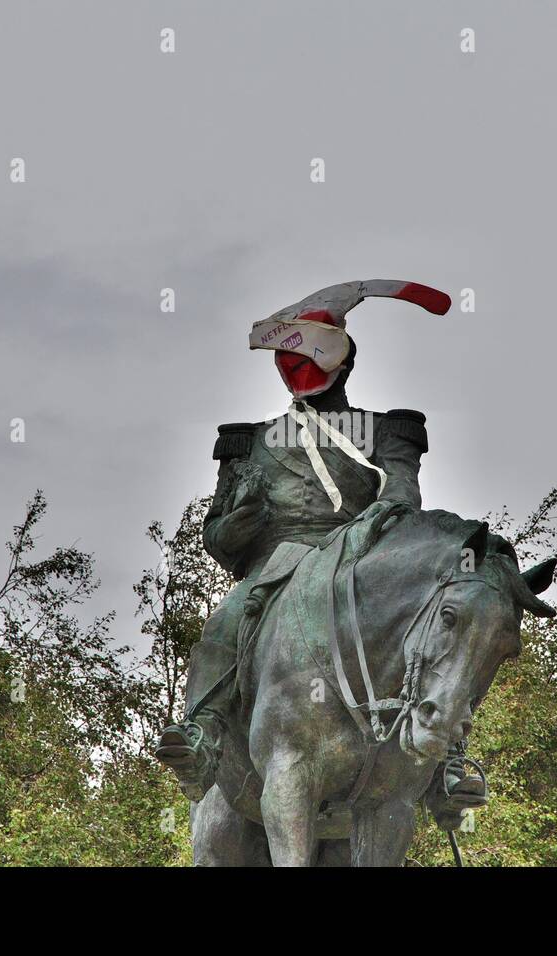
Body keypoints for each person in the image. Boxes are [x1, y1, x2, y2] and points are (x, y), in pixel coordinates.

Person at [155, 280, 486, 827]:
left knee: (445, 632)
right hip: (276, 567)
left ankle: (449, 762)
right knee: (223, 622)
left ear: (342, 363)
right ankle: (202, 733)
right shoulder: (250, 441)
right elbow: (215, 538)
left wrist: (376, 522)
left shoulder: (385, 431)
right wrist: (238, 524)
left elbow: (404, 492)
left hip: (359, 565)